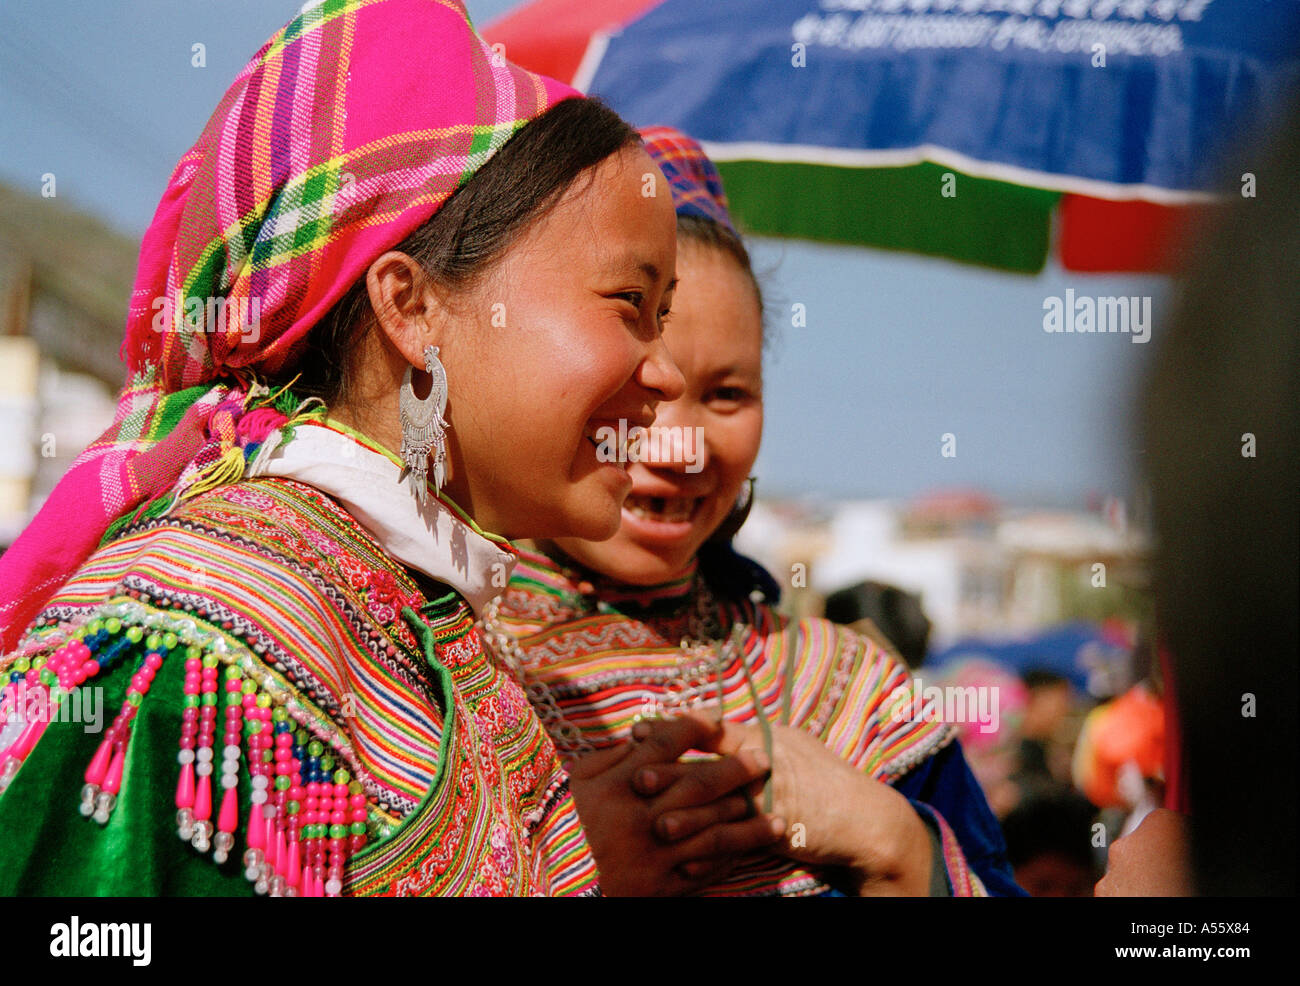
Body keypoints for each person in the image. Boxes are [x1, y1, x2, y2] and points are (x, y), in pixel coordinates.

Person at [0, 0, 744, 897]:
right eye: (632, 304)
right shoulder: (197, 651)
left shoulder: (429, 615)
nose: (662, 376)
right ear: (412, 308)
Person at [485, 127, 1023, 896]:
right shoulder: (451, 676)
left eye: (727, 394)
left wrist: (891, 839)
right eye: (637, 387)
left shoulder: (859, 696)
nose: (678, 448)